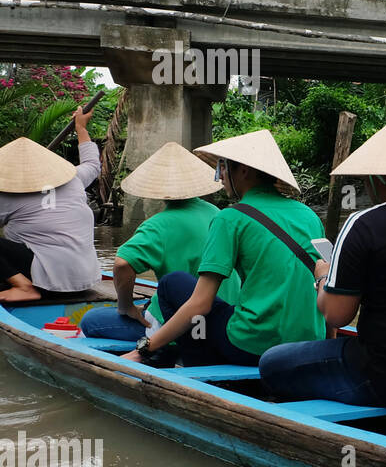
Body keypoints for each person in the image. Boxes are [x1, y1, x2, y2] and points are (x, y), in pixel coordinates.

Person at [259, 120, 386, 407]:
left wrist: (323, 277)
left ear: (378, 177)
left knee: (272, 362)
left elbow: (337, 316)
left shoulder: (363, 223)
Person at [121, 130, 324, 368]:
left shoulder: (231, 218)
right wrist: (325, 347)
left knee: (171, 283)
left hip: (252, 346)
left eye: (224, 168)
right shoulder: (310, 216)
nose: (221, 177)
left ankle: (199, 368)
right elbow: (326, 284)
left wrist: (144, 349)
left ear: (244, 171)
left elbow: (200, 304)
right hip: (309, 343)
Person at [81, 142, 241, 342]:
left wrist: (126, 307)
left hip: (181, 322)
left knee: (90, 321)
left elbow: (122, 263)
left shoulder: (158, 225)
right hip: (224, 314)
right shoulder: (215, 212)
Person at [0, 109, 100, 303]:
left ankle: (23, 287)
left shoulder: (7, 195)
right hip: (85, 278)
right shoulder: (75, 179)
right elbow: (93, 164)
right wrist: (81, 128)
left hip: (44, 279)